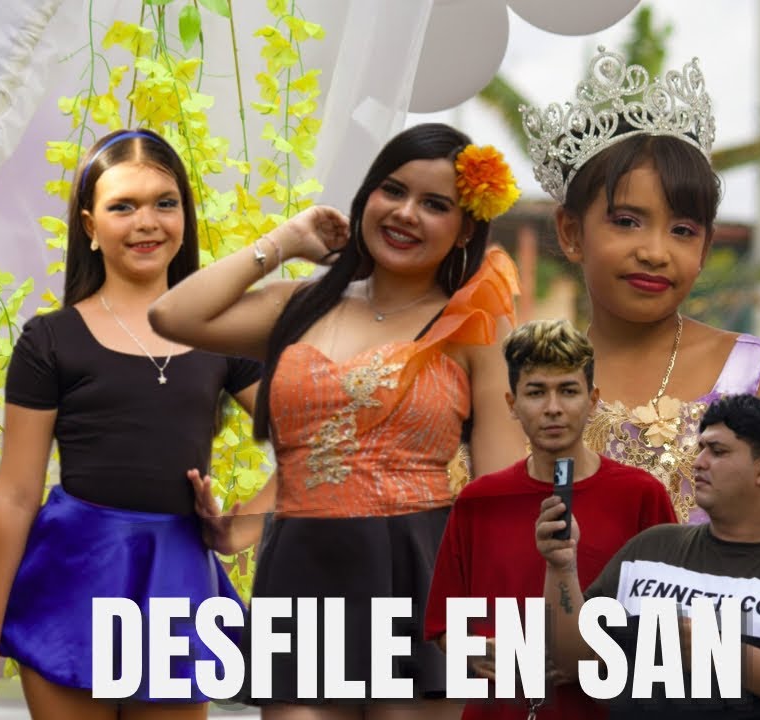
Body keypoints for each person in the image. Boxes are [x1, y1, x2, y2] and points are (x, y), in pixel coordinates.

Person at [148, 123, 528, 717]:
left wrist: (491, 615)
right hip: (303, 562)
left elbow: (501, 492)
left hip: (419, 568)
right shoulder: (300, 306)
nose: (405, 214)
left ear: (466, 230)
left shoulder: (472, 327)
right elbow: (172, 314)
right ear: (366, 198)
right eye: (392, 191)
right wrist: (286, 240)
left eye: (435, 205)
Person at [520, 46, 760, 556]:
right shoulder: (527, 384)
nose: (654, 252)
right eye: (626, 221)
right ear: (571, 231)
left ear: (705, 248)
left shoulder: (747, 372)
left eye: (682, 230)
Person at [0, 128, 265, 719]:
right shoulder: (50, 341)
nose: (147, 222)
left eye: (165, 203)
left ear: (185, 215)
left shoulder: (222, 332)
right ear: (89, 225)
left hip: (178, 580)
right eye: (123, 206)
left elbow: (319, 435)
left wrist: (248, 523)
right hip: (73, 577)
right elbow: (14, 495)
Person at [535, 393, 760, 719]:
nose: (698, 462)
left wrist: (726, 653)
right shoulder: (651, 549)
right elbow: (575, 661)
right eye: (701, 448)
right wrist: (561, 566)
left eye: (717, 451)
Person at [424, 318, 676, 719]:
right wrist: (483, 651)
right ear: (512, 404)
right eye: (537, 392)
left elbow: (671, 624)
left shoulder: (641, 495)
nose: (553, 408)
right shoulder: (479, 500)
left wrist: (590, 651)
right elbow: (444, 625)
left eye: (568, 391)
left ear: (593, 401)